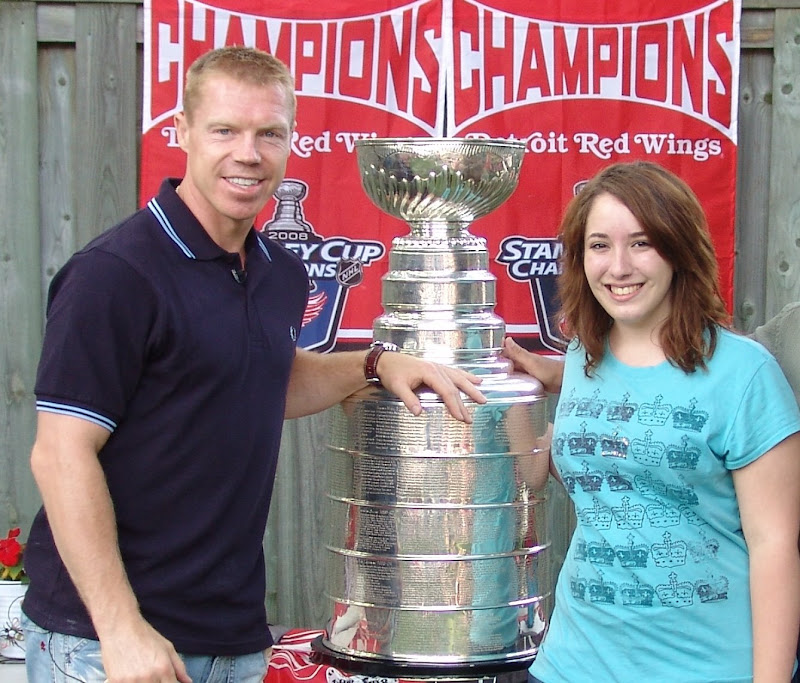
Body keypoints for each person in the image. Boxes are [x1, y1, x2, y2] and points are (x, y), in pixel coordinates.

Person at [21, 46, 486, 683]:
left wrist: (376, 363)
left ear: (291, 141)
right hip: (109, 645)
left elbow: (264, 379)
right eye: (225, 130)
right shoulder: (115, 275)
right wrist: (121, 628)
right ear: (182, 132)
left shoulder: (278, 273)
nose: (249, 153)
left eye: (269, 133)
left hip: (233, 639)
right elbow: (60, 454)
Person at [502, 161, 800, 682]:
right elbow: (547, 473)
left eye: (641, 243)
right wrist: (501, 385)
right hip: (570, 666)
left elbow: (774, 546)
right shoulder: (582, 357)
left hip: (706, 669)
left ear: (678, 250)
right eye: (599, 245)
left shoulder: (744, 374)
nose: (618, 267)